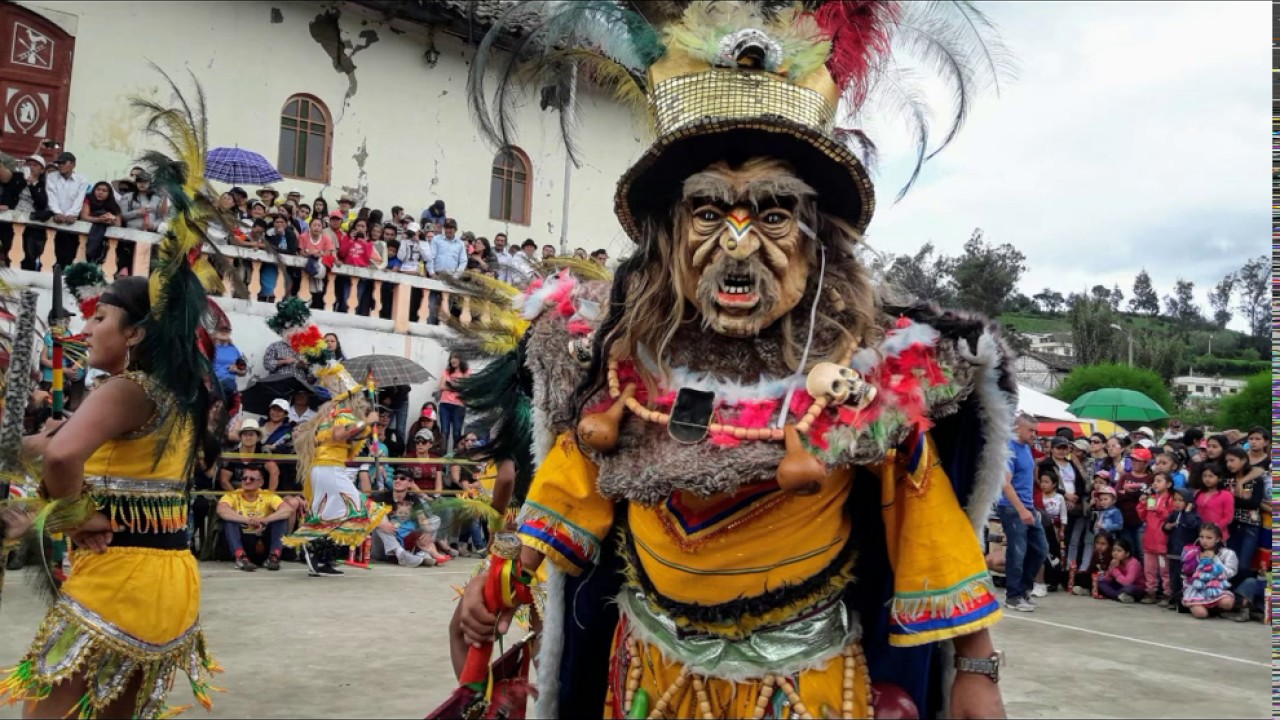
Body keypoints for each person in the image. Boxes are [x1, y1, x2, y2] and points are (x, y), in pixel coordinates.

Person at [454, 4, 1010, 717]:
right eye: (709, 214)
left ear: (819, 241)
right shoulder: (621, 359)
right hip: (649, 674)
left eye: (774, 215)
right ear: (668, 236)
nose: (739, 246)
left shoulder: (870, 371)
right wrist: (498, 581)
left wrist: (977, 668)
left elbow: (925, 519)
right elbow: (569, 486)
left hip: (803, 684)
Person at [0, 223, 222, 716]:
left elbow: (62, 458)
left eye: (99, 317)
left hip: (120, 577)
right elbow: (48, 448)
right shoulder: (179, 395)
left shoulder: (126, 389)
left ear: (135, 334)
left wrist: (75, 516)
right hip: (167, 575)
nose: (86, 329)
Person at [271, 298, 388, 577]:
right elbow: (339, 434)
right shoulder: (339, 412)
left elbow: (345, 437)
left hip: (329, 469)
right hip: (327, 469)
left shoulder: (337, 411)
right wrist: (365, 422)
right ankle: (316, 554)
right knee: (355, 506)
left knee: (328, 514)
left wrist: (363, 428)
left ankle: (320, 558)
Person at [999, 415, 1049, 612]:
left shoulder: (1027, 449)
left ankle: (1023, 590)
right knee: (1017, 552)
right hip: (1012, 507)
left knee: (1040, 549)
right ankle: (1013, 595)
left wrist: (1031, 509)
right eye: (1031, 430)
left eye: (1035, 431)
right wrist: (1021, 509)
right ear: (1018, 428)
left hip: (1028, 506)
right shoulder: (1010, 449)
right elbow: (1005, 483)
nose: (1034, 435)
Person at [216, 464, 291, 571]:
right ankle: (240, 558)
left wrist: (265, 520)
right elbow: (221, 510)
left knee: (281, 518)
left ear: (261, 482)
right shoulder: (232, 495)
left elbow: (288, 510)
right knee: (229, 521)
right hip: (243, 540)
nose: (247, 481)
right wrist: (247, 521)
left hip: (263, 539)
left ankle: (274, 557)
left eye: (252, 479)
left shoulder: (267, 495)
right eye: (244, 478)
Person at [371, 470, 449, 567]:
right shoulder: (382, 497)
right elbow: (367, 516)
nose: (397, 481)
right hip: (383, 546)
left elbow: (423, 519)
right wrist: (381, 524)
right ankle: (401, 554)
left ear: (410, 483)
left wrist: (428, 532)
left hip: (406, 542)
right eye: (395, 478)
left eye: (402, 479)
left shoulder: (414, 500)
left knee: (434, 520)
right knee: (380, 521)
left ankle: (422, 554)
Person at [0, 154, 50, 270]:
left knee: (27, 254)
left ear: (42, 170)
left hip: (30, 224)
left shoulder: (43, 185)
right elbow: (9, 192)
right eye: (29, 164)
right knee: (10, 249)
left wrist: (33, 184)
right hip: (12, 219)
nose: (31, 167)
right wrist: (6, 204)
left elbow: (42, 202)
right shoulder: (17, 178)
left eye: (35, 165)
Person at [1224, 447, 1264, 586]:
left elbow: (1253, 503)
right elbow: (1224, 501)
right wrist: (1236, 499)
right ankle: (1232, 595)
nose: (1229, 464)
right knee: (1231, 562)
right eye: (1227, 461)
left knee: (1245, 563)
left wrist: (1231, 499)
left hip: (1250, 525)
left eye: (1232, 460)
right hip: (1232, 524)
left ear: (1243, 460)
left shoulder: (1255, 480)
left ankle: (1243, 596)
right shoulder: (1227, 480)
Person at [1180, 523, 1238, 618]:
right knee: (1201, 614)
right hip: (1196, 589)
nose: (1204, 541)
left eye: (1209, 538)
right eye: (1201, 537)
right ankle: (1192, 604)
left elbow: (1231, 572)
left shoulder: (1227, 553)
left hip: (1217, 588)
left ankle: (1212, 608)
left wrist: (1215, 559)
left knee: (1227, 603)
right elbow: (1185, 572)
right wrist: (1197, 560)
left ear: (1218, 539)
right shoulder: (1192, 552)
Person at [45, 151, 89, 269]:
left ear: (73, 164)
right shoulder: (52, 176)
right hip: (54, 217)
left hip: (71, 220)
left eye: (63, 163)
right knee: (51, 250)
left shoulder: (82, 180)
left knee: (69, 252)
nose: (60, 165)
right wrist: (57, 212)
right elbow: (51, 195)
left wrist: (71, 214)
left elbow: (79, 199)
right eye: (59, 163)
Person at [1135, 472, 1175, 604]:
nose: (1155, 483)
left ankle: (1167, 593)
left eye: (1159, 481)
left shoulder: (1170, 499)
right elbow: (1143, 516)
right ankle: (1150, 592)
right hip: (1149, 540)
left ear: (1168, 484)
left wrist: (1158, 509)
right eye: (1154, 481)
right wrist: (1141, 505)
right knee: (1149, 569)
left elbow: (1170, 517)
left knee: (1164, 570)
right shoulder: (1151, 497)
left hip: (1162, 540)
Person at [1161, 488, 1200, 610]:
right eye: (1175, 500)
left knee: (1183, 577)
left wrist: (1188, 512)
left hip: (1186, 554)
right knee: (1173, 577)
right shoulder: (1174, 514)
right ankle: (1174, 598)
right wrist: (1166, 527)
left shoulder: (1193, 516)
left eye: (1181, 500)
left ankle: (1182, 599)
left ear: (1189, 502)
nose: (1177, 503)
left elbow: (1193, 526)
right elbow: (1165, 527)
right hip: (1173, 551)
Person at [1114, 446, 1152, 562]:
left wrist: (1133, 494)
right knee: (1129, 551)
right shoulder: (1125, 476)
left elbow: (1152, 498)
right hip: (1125, 519)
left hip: (1142, 521)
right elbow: (1116, 495)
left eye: (1138, 460)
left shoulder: (1151, 478)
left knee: (1142, 552)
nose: (1134, 463)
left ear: (1146, 463)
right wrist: (1132, 493)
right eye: (1133, 460)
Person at [1037, 466, 1068, 592]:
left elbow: (1063, 516)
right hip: (1041, 528)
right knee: (1042, 554)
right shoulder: (1038, 497)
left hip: (1054, 529)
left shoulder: (1059, 498)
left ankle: (1054, 581)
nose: (1043, 485)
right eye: (1042, 482)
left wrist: (1062, 530)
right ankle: (1041, 579)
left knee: (1054, 555)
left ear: (1054, 484)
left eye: (1047, 482)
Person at [80, 181, 124, 266]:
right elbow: (84, 217)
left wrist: (112, 218)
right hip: (87, 235)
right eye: (98, 189)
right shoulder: (88, 199)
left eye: (104, 191)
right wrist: (100, 219)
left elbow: (118, 224)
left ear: (109, 193)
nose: (100, 192)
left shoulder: (113, 204)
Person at [1096, 537, 1143, 603]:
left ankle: (1116, 595)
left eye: (1119, 551)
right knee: (1100, 583)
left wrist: (1114, 570)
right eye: (1114, 551)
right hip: (1120, 587)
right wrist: (1111, 567)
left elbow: (1127, 583)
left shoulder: (1133, 563)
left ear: (1127, 554)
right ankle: (1120, 596)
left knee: (1129, 589)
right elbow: (1106, 579)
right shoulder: (1115, 562)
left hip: (1135, 588)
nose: (1115, 553)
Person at [1193, 463, 1232, 542]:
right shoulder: (1198, 493)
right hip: (1200, 534)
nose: (1207, 479)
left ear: (1219, 478)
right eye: (1204, 476)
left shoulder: (1226, 495)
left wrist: (1214, 528)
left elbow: (1228, 517)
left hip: (1218, 535)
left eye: (1211, 476)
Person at [438, 353, 469, 452]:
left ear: (461, 359)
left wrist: (451, 386)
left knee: (457, 433)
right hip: (445, 405)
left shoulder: (466, 372)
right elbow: (441, 386)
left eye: (455, 357)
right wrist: (456, 387)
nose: (452, 360)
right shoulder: (447, 371)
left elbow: (466, 388)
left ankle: (455, 459)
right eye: (451, 358)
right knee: (444, 432)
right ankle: (442, 462)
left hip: (459, 406)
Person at [1070, 531, 1115, 596]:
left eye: (1103, 544)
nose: (1099, 546)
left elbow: (1111, 576)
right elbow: (1091, 569)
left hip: (1105, 581)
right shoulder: (1096, 553)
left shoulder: (1111, 556)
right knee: (1078, 576)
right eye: (1097, 543)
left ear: (1109, 545)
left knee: (1103, 585)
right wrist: (1083, 573)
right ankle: (1087, 590)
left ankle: (1088, 590)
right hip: (1095, 579)